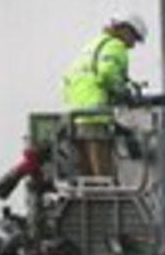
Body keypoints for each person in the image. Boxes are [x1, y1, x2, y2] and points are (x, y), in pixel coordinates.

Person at [62, 14, 147, 177]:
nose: (133, 45)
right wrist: (123, 92)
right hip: (96, 113)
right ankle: (105, 203)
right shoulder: (116, 46)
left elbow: (70, 78)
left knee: (87, 175)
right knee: (103, 173)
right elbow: (107, 73)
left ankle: (91, 202)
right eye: (134, 38)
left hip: (78, 113)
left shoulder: (94, 44)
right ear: (124, 29)